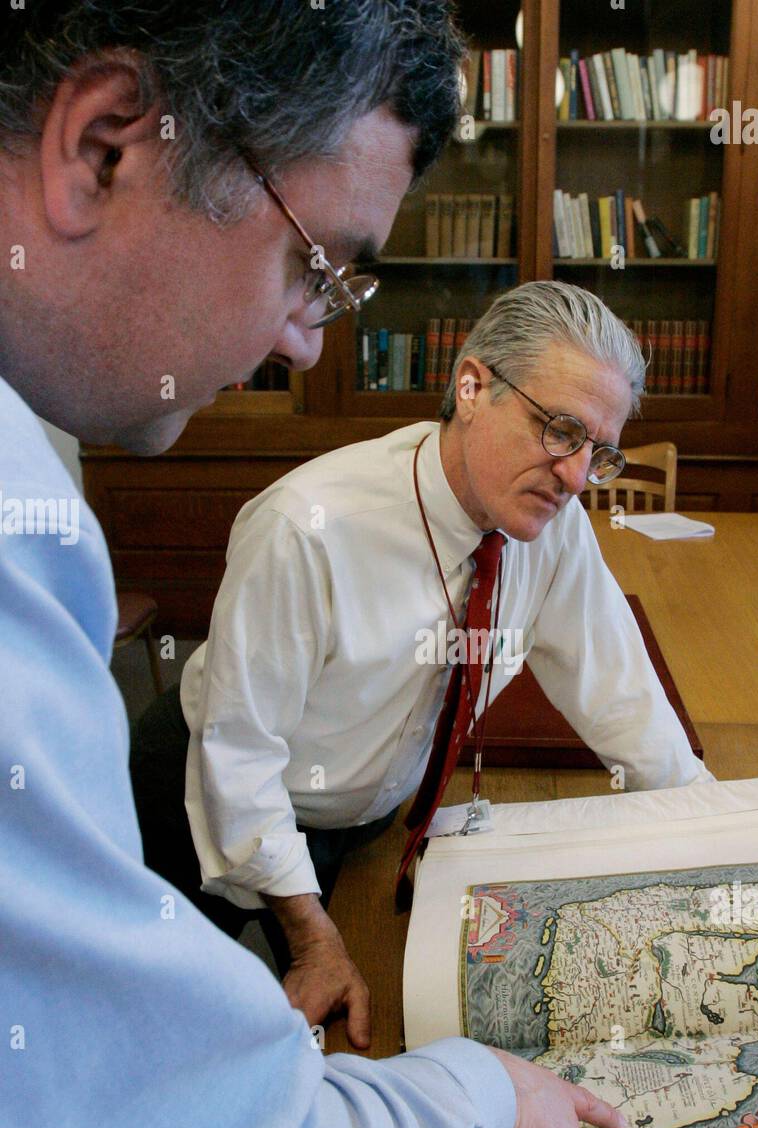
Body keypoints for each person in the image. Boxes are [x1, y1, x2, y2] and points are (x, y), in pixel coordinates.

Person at [0, 0, 625, 1128]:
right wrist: (458, 1109)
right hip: (234, 813)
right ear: (105, 146)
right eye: (315, 265)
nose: (307, 338)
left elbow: (619, 696)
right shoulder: (246, 523)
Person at [131, 281, 712, 1043]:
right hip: (204, 784)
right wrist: (312, 936)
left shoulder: (547, 526)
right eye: (561, 431)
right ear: (472, 386)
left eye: (597, 453)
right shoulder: (306, 529)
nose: (576, 478)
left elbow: (622, 696)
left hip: (366, 811)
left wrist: (720, 834)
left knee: (359, 1028)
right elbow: (239, 756)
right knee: (158, 1024)